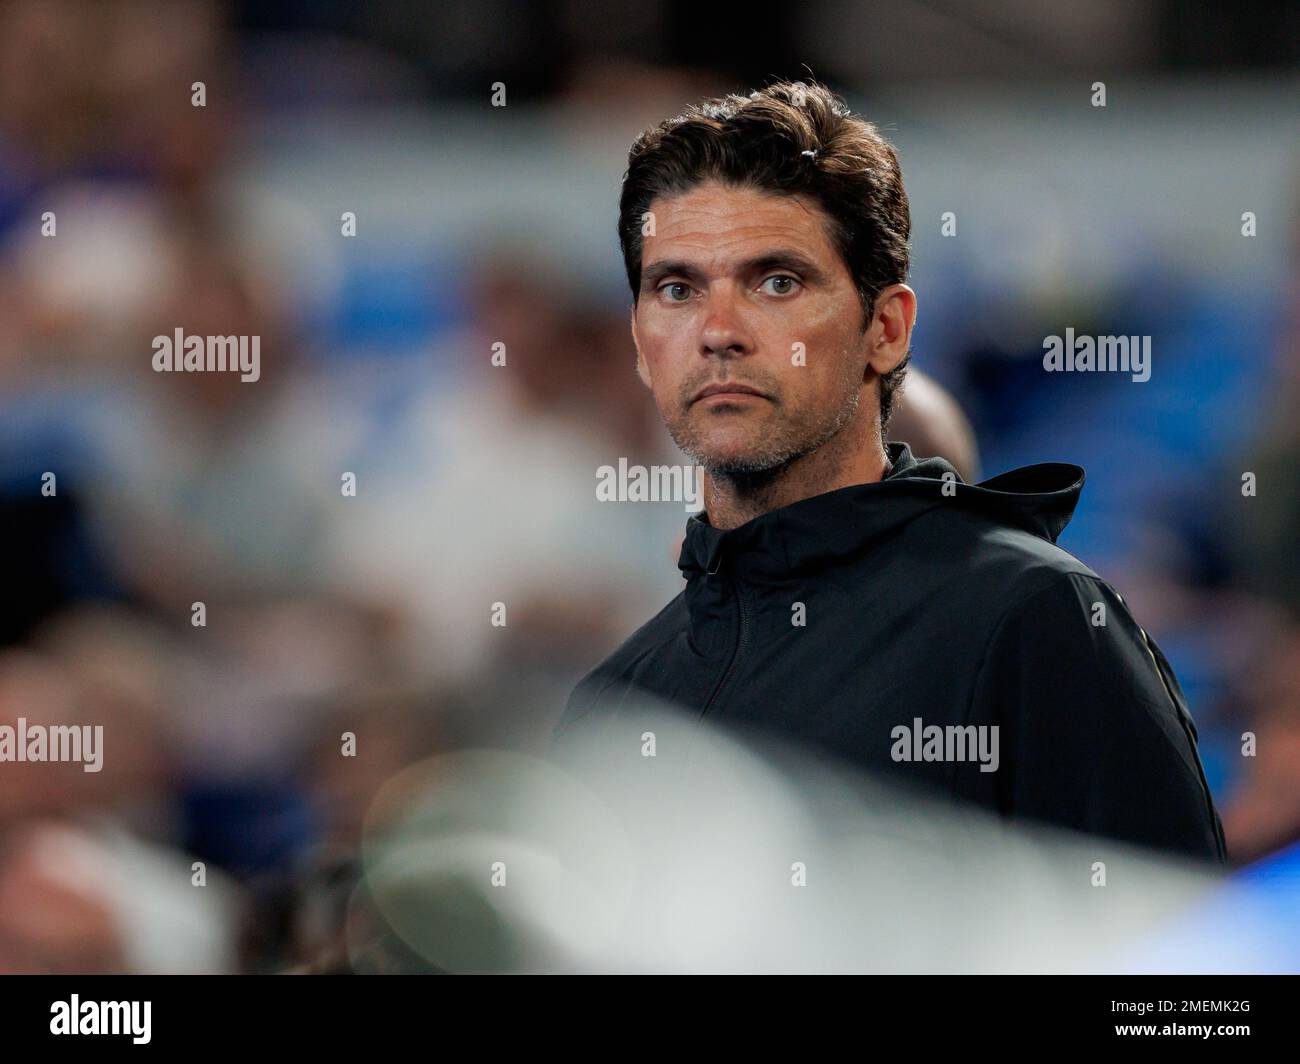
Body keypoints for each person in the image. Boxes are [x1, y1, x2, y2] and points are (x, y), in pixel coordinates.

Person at [552, 81, 1225, 864]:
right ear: (639, 341)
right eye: (677, 289)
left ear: (887, 329)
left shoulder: (1035, 620)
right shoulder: (610, 708)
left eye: (777, 282)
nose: (719, 332)